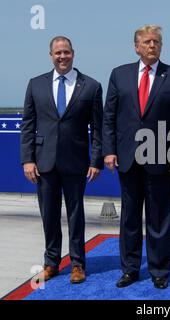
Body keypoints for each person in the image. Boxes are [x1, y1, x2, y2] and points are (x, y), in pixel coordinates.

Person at [102, 25, 170, 289]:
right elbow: (109, 116)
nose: (153, 45)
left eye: (157, 42)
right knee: (129, 217)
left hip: (160, 157)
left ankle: (159, 270)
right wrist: (109, 150)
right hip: (128, 156)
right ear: (136, 46)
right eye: (148, 41)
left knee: (159, 216)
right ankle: (129, 269)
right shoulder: (119, 75)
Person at [20, 36, 103, 284]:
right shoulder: (35, 84)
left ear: (73, 54)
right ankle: (51, 262)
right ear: (50, 56)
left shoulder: (91, 86)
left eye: (66, 52)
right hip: (43, 163)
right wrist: (28, 160)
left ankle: (78, 264)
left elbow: (97, 129)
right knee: (49, 214)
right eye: (57, 53)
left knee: (76, 215)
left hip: (76, 162)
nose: (62, 57)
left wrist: (96, 160)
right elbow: (28, 126)